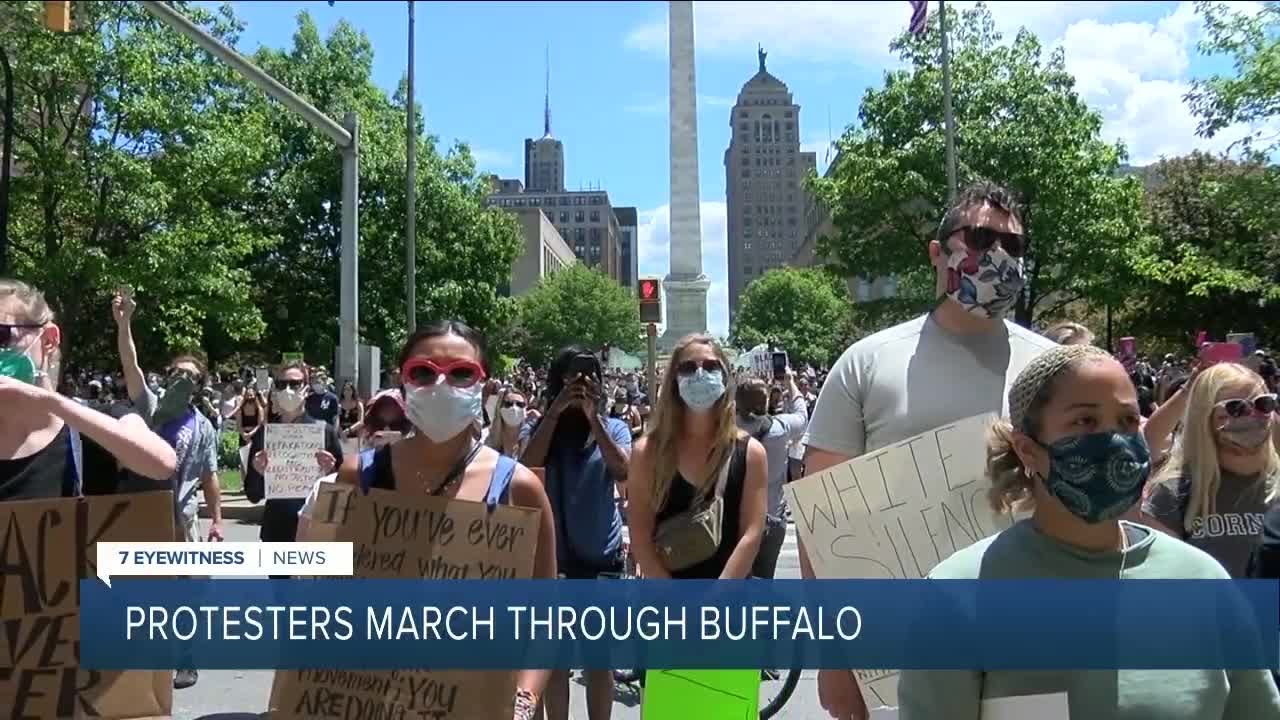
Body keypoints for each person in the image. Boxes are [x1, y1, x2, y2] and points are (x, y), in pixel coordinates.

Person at [898, 344, 1280, 718]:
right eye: (1085, 421)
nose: (1113, 441)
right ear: (1027, 449)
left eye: (1127, 421)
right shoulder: (957, 594)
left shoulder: (1203, 580)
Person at [801, 182, 1057, 720]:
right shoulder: (867, 363)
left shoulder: (1054, 369)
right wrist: (834, 657)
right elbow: (823, 517)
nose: (1000, 254)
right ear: (937, 253)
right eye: (981, 238)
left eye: (1014, 245)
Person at [332, 322, 555, 720]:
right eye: (423, 371)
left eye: (461, 373)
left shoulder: (519, 488)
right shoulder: (357, 477)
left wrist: (522, 702)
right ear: (403, 382)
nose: (440, 385)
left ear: (483, 385)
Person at [520, 346, 630, 720]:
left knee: (599, 661)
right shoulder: (541, 428)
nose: (581, 384)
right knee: (556, 663)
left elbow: (623, 470)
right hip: (553, 563)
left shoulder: (614, 427)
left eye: (589, 376)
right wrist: (556, 411)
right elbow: (525, 467)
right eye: (572, 377)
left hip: (601, 561)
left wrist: (593, 417)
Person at [0, 279, 176, 501]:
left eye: (1, 335)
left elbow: (162, 464)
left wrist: (48, 401)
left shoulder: (100, 423)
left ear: (48, 340)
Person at [629, 333, 768, 580]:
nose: (700, 373)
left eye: (712, 366)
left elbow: (752, 533)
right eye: (688, 368)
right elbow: (640, 536)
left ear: (725, 377)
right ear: (674, 380)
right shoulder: (646, 453)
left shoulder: (751, 453)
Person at [1142, 363, 1278, 577]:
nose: (1252, 415)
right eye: (1236, 408)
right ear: (1205, 417)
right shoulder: (1171, 496)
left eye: (1263, 404)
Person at [243, 361, 344, 561]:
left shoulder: (324, 432)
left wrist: (331, 473)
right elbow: (253, 495)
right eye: (281, 384)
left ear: (306, 389)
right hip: (277, 531)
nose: (287, 389)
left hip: (316, 531)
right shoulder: (265, 435)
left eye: (295, 384)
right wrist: (258, 473)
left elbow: (342, 492)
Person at [734, 370, 807, 578]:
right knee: (763, 582)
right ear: (766, 401)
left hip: (734, 521)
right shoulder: (780, 429)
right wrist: (790, 383)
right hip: (772, 519)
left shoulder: (725, 431)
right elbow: (802, 416)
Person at [486, 386, 528, 457]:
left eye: (520, 404)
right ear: (500, 408)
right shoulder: (488, 438)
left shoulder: (532, 437)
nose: (514, 408)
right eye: (508, 404)